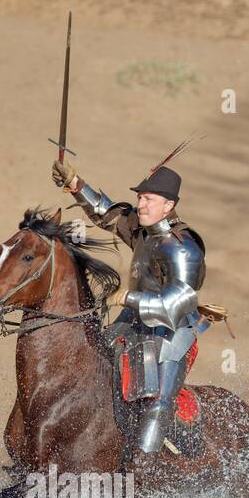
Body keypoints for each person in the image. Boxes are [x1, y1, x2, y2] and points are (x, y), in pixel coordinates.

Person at [52, 157, 207, 454]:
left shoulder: (183, 247)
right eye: (139, 197)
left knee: (157, 403)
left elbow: (178, 302)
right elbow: (107, 214)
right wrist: (74, 184)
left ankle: (145, 462)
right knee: (92, 362)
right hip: (132, 323)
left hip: (170, 334)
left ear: (169, 205)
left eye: (149, 198)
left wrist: (127, 297)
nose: (142, 204)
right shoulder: (144, 230)